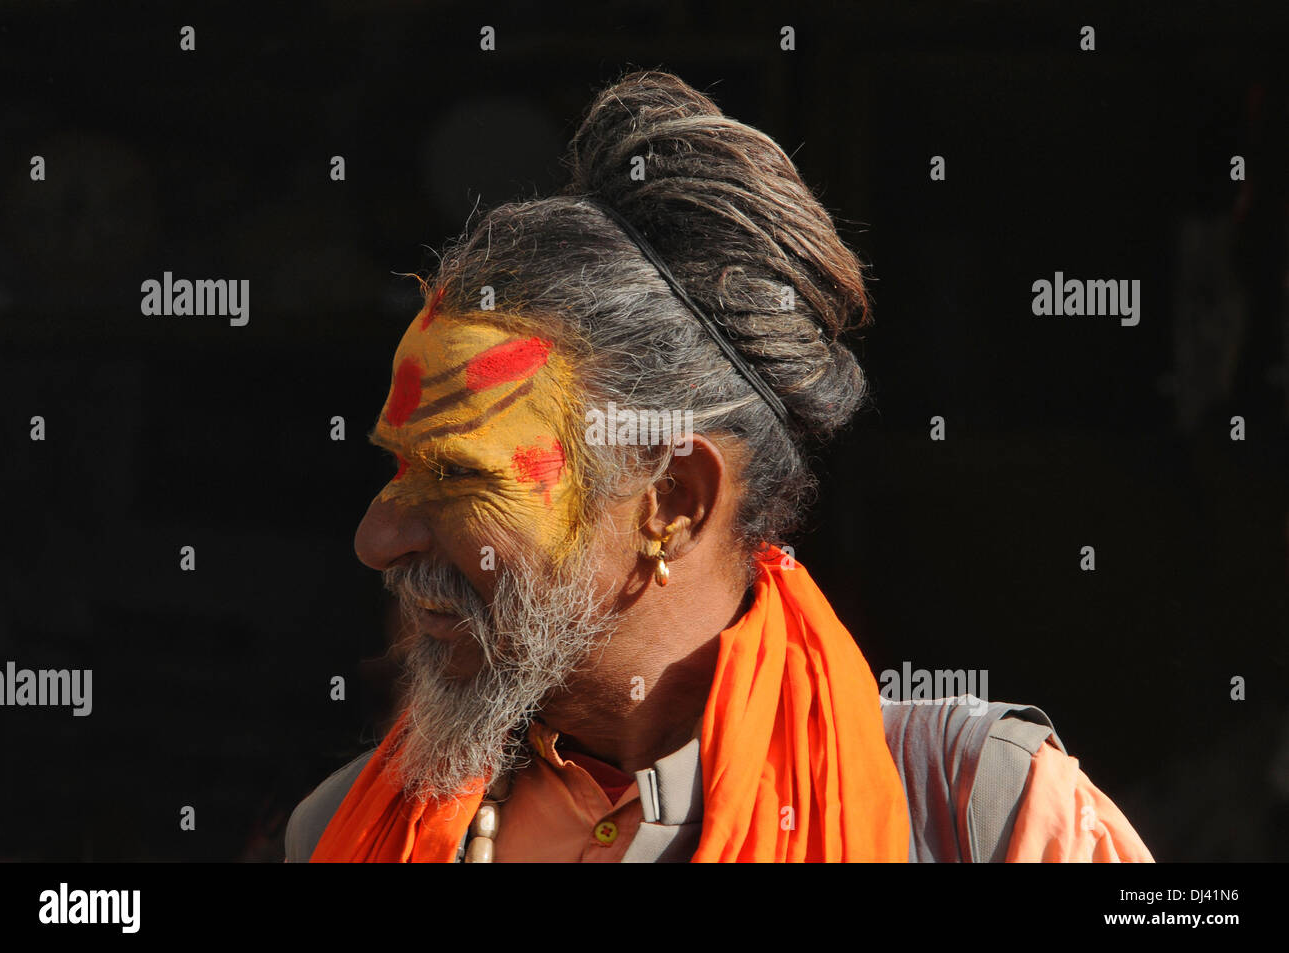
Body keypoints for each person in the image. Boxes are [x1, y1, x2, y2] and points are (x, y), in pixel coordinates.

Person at [285, 70, 1153, 863]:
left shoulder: (987, 814)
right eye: (397, 469)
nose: (376, 535)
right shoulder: (348, 830)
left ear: (671, 500)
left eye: (463, 476)